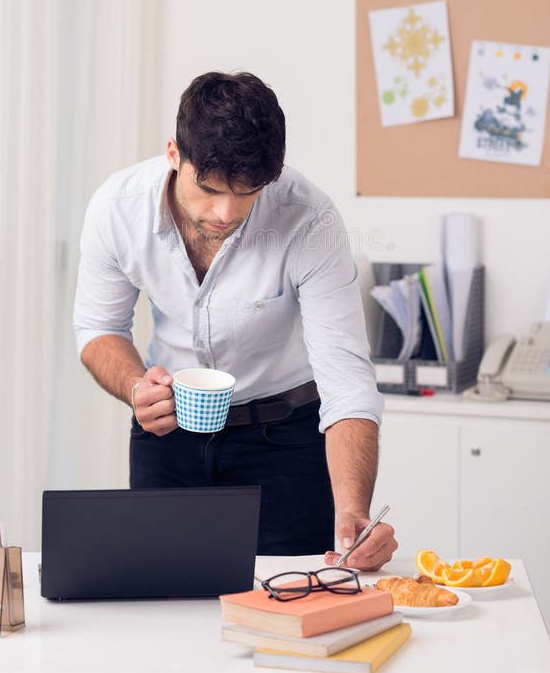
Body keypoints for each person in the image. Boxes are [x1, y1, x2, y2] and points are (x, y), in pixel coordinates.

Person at [74, 71, 397, 569]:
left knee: (296, 600)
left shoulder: (309, 219)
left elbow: (346, 377)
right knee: (159, 603)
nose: (226, 212)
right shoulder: (117, 210)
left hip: (286, 440)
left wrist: (353, 509)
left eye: (248, 193)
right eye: (208, 189)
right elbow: (99, 329)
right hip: (168, 434)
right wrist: (137, 387)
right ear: (173, 155)